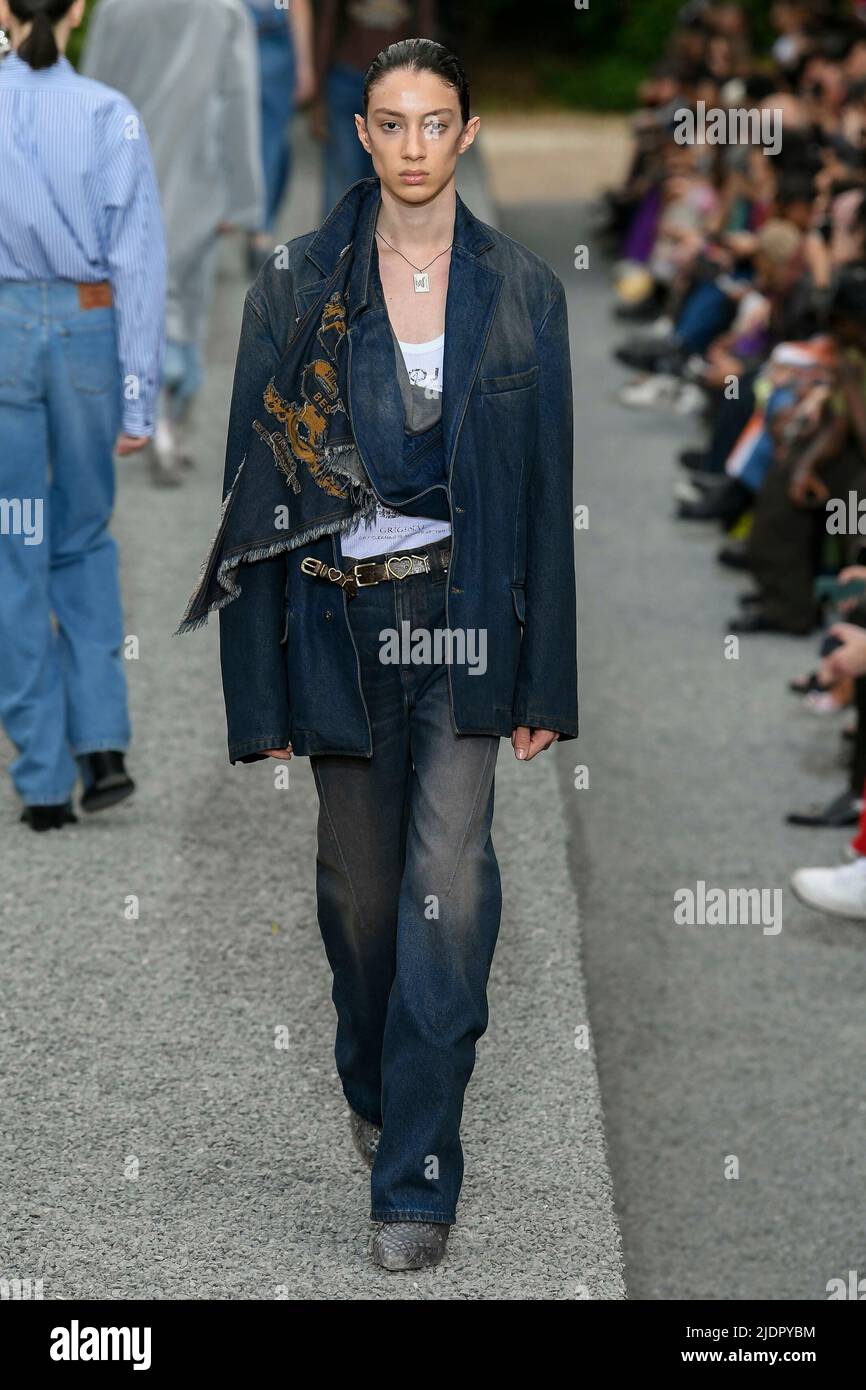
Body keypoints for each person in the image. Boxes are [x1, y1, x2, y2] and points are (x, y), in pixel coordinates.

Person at [177, 38, 578, 1271]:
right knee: (361, 903)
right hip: (340, 623)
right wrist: (259, 692)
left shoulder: (519, 289)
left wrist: (544, 677)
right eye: (390, 124)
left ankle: (416, 1173)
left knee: (446, 884)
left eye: (435, 123)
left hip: (464, 623)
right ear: (362, 134)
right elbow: (251, 495)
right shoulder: (298, 283)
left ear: (465, 134)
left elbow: (546, 487)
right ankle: (376, 1068)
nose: (413, 147)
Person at [0, 0, 165, 831]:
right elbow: (138, 258)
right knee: (84, 536)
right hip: (89, 331)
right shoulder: (110, 113)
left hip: (1, 336)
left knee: (12, 548)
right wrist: (141, 393)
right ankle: (102, 747)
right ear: (77, 11)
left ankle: (38, 780)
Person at [83, 0, 264, 486]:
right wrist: (245, 199)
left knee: (142, 298)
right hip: (198, 176)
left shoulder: (115, 9)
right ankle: (172, 417)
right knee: (187, 302)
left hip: (128, 171)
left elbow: (93, 88)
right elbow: (239, 100)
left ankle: (151, 407)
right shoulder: (226, 12)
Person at [312, 0, 436, 220]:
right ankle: (341, 250)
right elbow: (327, 25)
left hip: (386, 84)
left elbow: (425, 29)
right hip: (359, 81)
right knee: (375, 180)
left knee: (370, 180)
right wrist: (319, 99)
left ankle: (349, 250)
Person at [244, 0, 315, 276]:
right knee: (265, 142)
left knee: (268, 142)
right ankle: (257, 226)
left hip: (269, 40)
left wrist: (304, 66)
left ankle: (258, 225)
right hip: (246, 35)